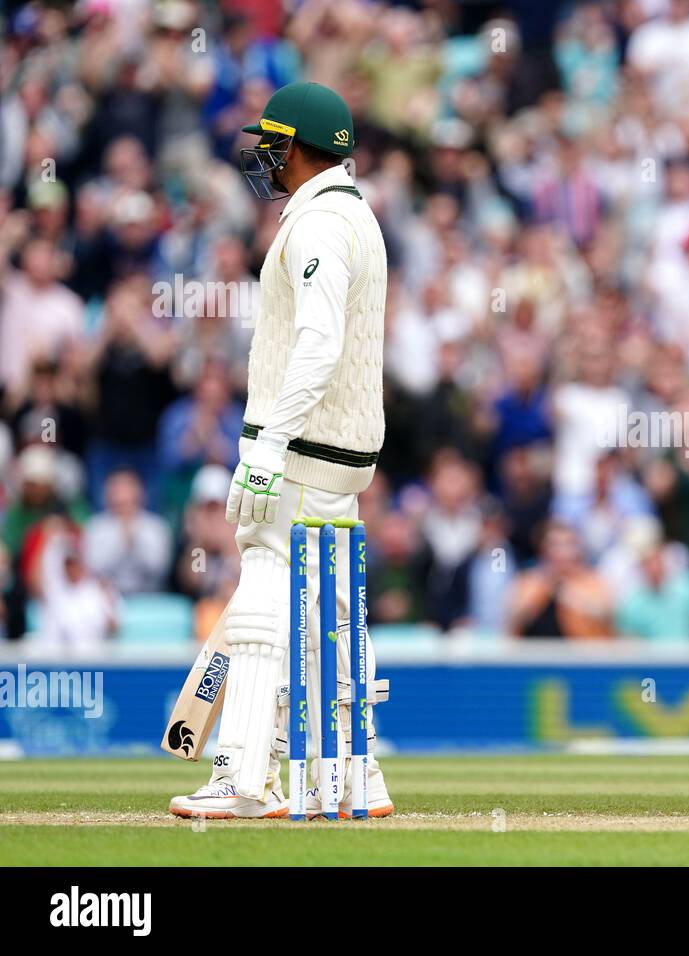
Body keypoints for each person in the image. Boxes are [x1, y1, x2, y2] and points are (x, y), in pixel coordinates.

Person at [169, 82, 393, 820]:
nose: (264, 157)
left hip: (300, 447)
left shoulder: (319, 225)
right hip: (341, 453)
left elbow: (319, 345)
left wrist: (266, 444)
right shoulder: (355, 216)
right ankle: (355, 775)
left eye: (273, 142)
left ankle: (240, 778)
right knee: (326, 606)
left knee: (267, 589)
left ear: (298, 148)